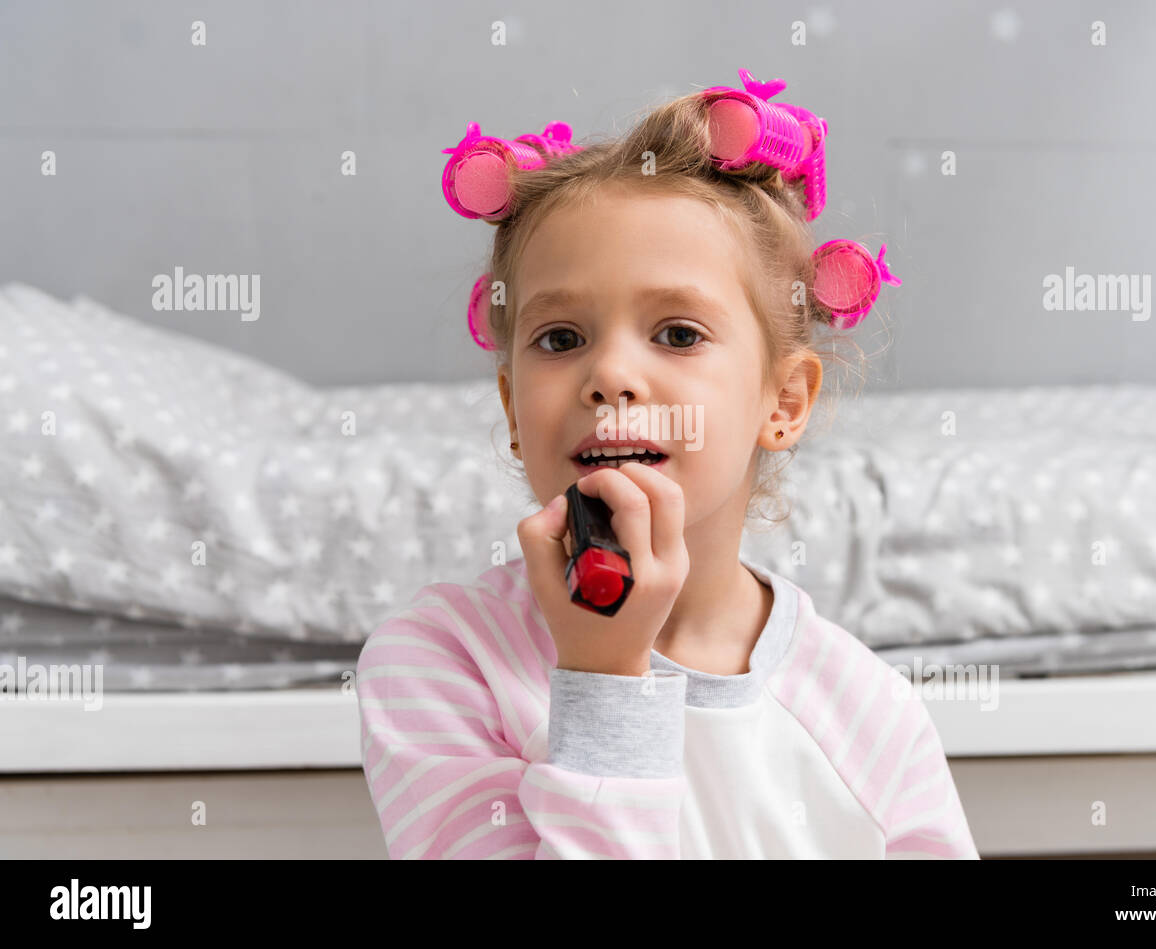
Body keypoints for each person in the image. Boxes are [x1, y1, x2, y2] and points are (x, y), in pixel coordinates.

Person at [356, 70, 979, 859]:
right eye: (561, 338)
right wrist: (604, 678)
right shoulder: (442, 661)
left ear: (783, 402)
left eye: (678, 334)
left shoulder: (866, 714)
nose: (610, 375)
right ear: (515, 411)